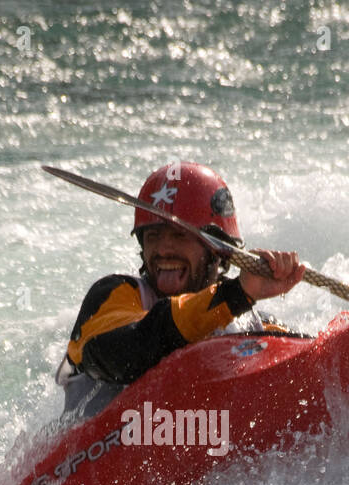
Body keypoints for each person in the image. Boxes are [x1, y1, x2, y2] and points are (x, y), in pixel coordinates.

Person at [56, 162, 308, 421]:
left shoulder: (250, 324)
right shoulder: (111, 296)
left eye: (179, 236)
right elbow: (135, 348)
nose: (163, 249)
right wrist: (237, 293)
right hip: (91, 454)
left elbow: (314, 364)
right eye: (153, 235)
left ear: (217, 253)